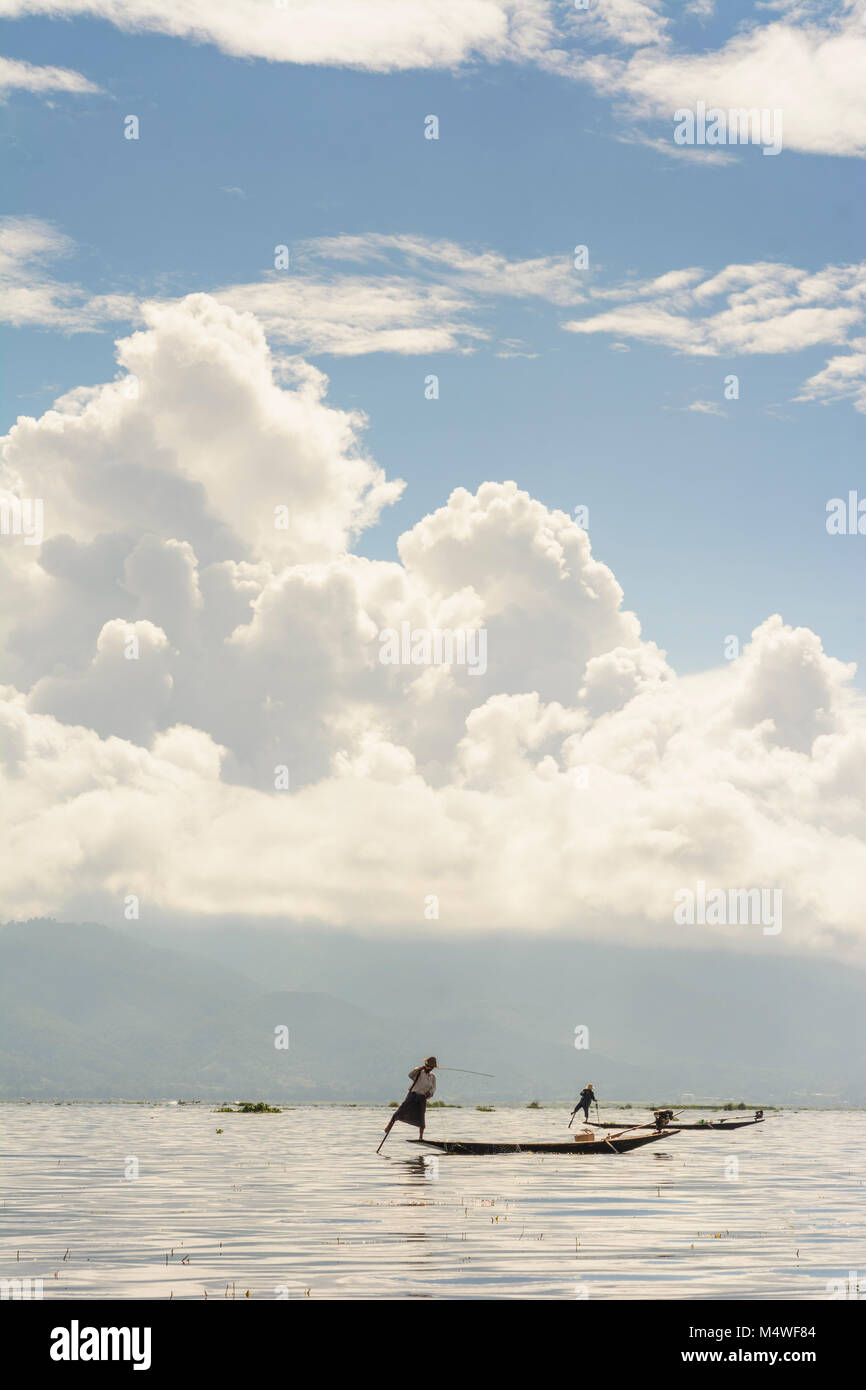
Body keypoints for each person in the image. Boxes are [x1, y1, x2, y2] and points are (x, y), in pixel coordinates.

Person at [381, 1057, 438, 1144]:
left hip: (422, 1098)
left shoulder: (432, 1077)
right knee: (401, 1110)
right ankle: (389, 1125)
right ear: (425, 1065)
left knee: (421, 1117)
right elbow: (410, 1075)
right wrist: (420, 1068)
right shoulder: (419, 1072)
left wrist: (429, 1093)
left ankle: (421, 1137)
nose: (429, 1068)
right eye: (428, 1066)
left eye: (431, 1067)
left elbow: (433, 1088)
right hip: (413, 1095)